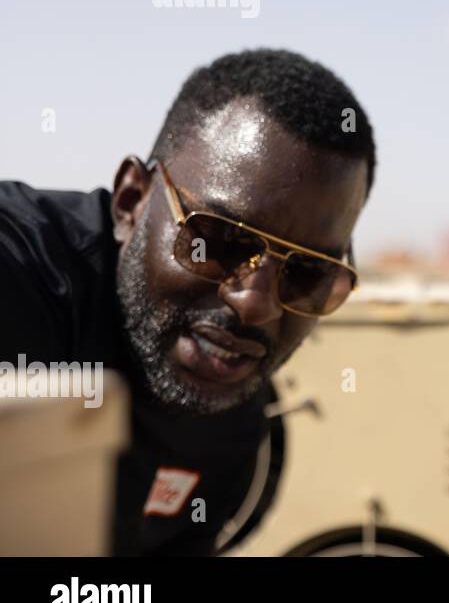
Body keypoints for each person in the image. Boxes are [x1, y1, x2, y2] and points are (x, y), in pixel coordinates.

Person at [0, 48, 375, 555]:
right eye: (217, 243)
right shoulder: (20, 276)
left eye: (308, 273)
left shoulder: (234, 422)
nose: (255, 304)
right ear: (131, 202)